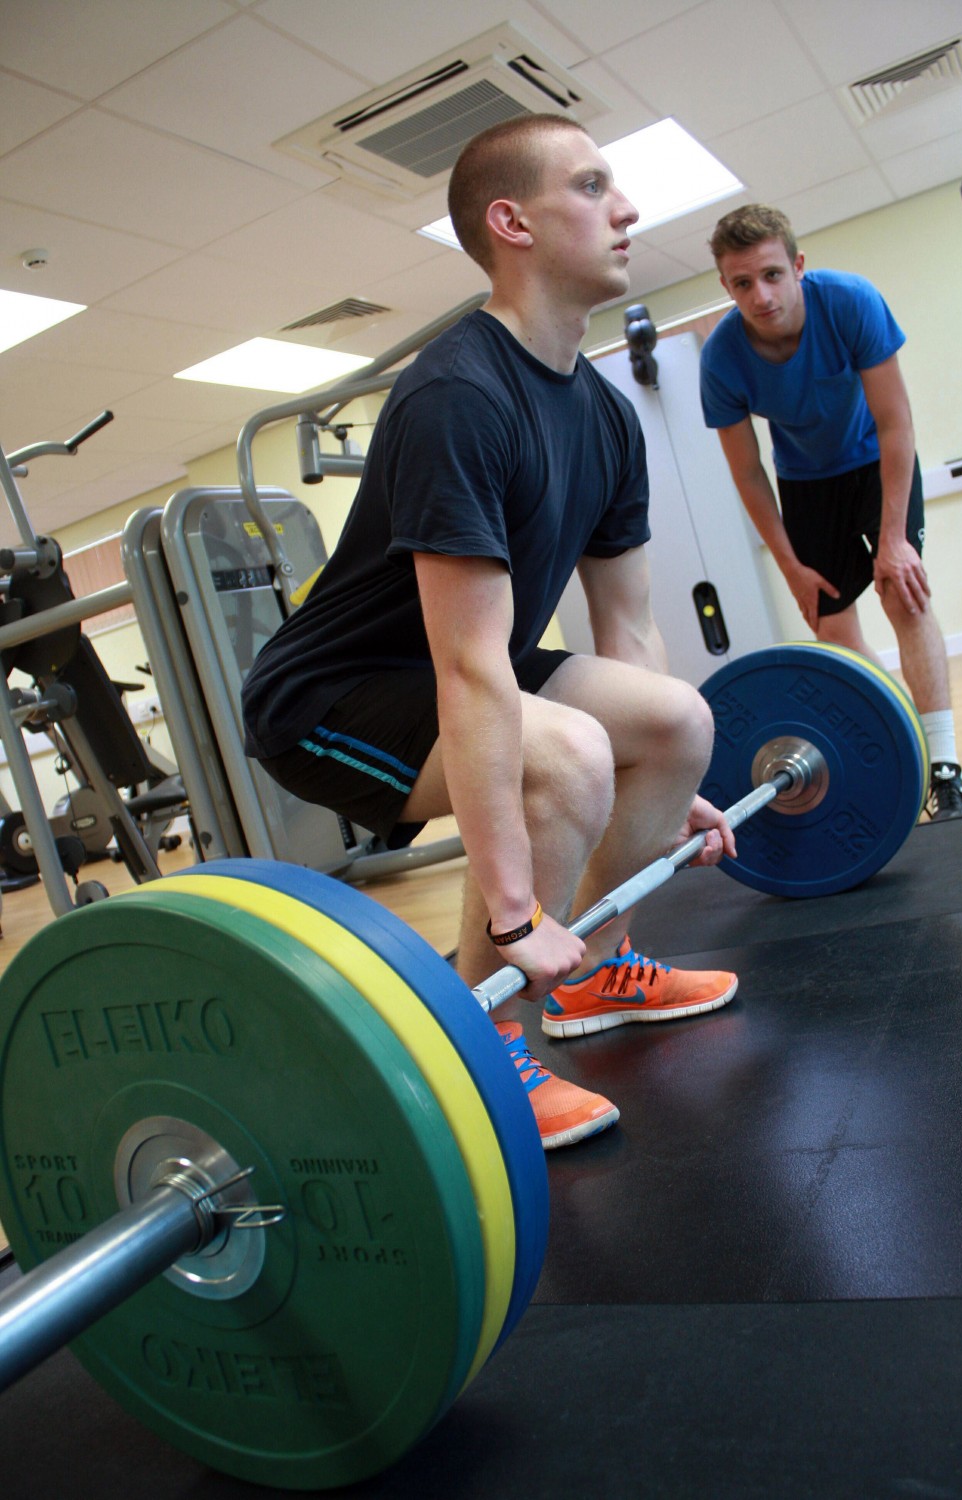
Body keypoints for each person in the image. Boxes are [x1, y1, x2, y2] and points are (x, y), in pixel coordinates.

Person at [242, 114, 739, 1152]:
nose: (627, 209)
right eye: (592, 186)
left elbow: (627, 625)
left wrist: (661, 779)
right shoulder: (456, 396)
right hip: (331, 698)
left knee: (678, 721)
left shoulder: (604, 416)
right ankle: (482, 1046)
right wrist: (514, 913)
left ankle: (596, 975)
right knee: (562, 755)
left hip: (466, 670)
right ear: (512, 222)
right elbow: (471, 670)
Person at [700, 203, 962, 822]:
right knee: (833, 630)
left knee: (904, 593)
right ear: (726, 286)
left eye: (772, 275)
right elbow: (748, 471)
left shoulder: (850, 301)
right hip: (805, 483)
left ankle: (946, 770)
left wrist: (894, 541)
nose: (761, 295)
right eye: (742, 283)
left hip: (878, 459)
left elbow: (896, 422)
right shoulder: (721, 358)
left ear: (798, 266)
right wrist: (791, 567)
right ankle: (909, 741)